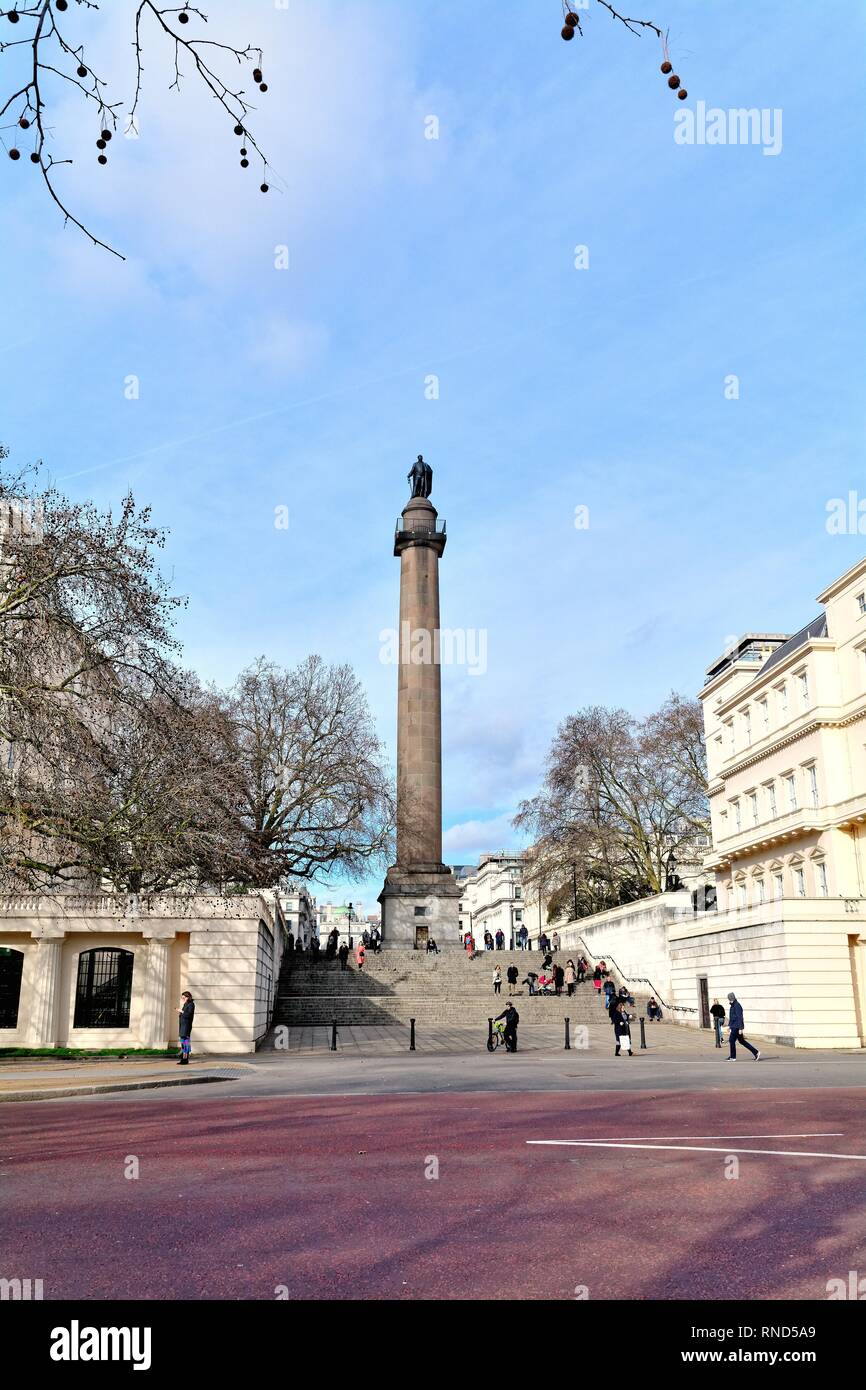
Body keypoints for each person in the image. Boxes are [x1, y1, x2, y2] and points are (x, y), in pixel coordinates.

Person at [726, 992, 760, 1061]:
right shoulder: (732, 1006)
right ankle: (756, 1052)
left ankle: (733, 1057)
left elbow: (740, 1017)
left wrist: (741, 1028)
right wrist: (729, 1026)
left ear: (732, 998)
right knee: (742, 1041)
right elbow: (732, 1017)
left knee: (731, 1040)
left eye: (729, 999)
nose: (729, 1000)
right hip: (733, 1026)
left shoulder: (737, 1006)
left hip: (737, 1027)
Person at [177, 991, 195, 1065]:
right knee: (183, 1043)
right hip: (183, 1027)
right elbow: (184, 1014)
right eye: (182, 997)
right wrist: (181, 1013)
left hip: (186, 1027)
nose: (182, 999)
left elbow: (189, 1015)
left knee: (186, 1043)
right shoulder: (186, 1004)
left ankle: (185, 1059)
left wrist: (181, 1011)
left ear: (187, 997)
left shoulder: (191, 1004)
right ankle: (183, 1059)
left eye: (183, 997)